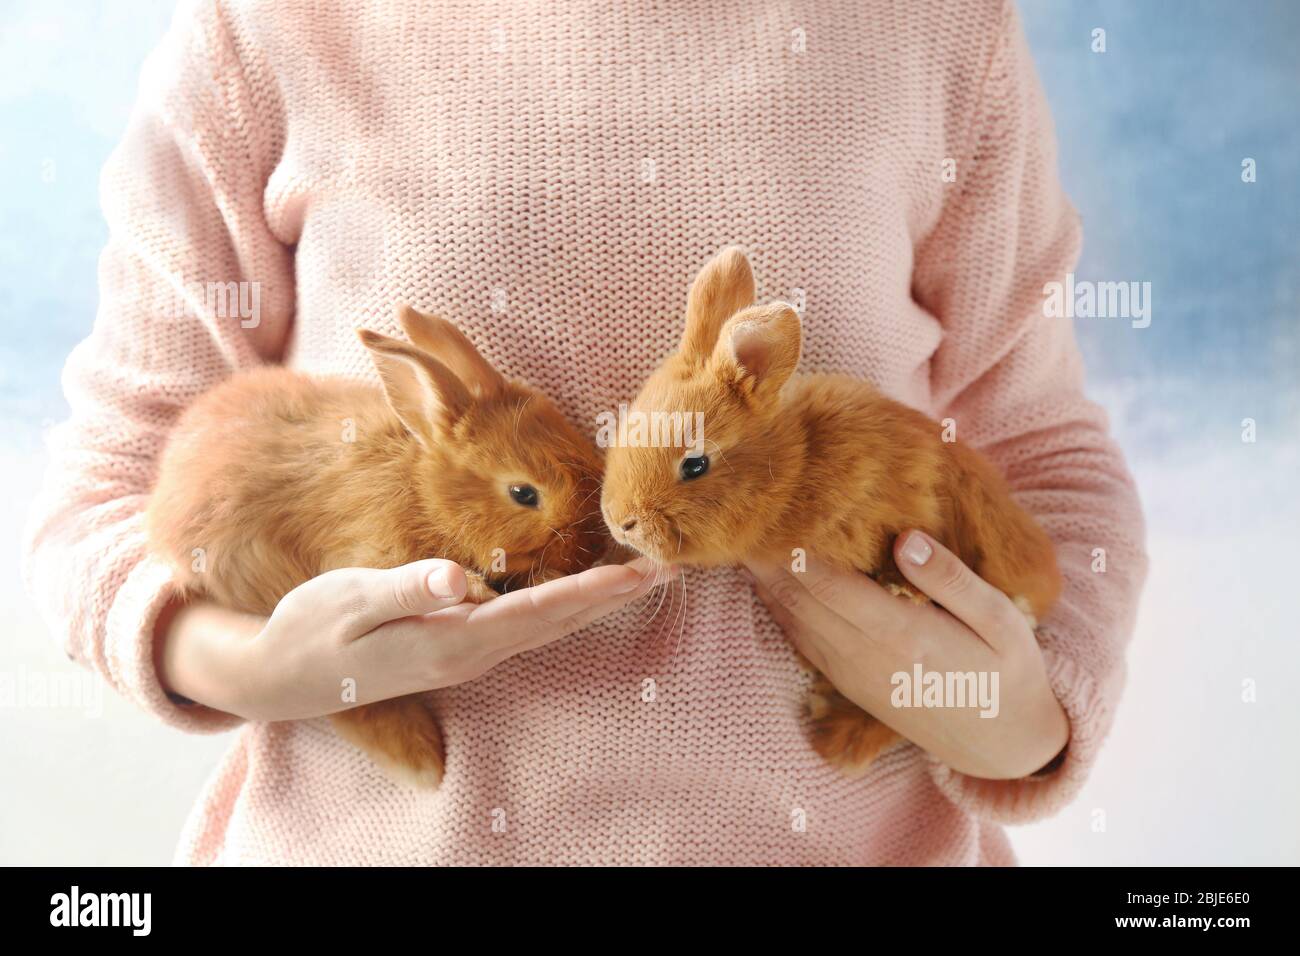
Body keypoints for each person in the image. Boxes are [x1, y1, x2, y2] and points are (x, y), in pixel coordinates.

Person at [23, 0, 1146, 865]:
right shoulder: (267, 31)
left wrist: (1012, 719)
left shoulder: (935, 32)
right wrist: (261, 666)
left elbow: (1045, 454)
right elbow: (113, 481)